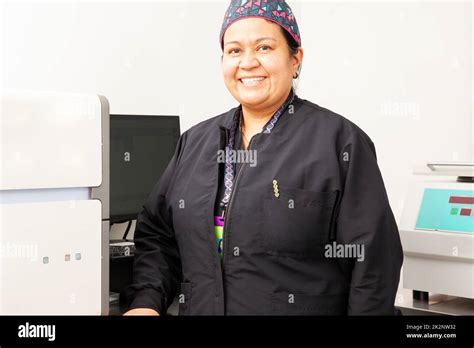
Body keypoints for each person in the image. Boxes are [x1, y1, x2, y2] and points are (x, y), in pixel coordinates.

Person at [124, 0, 403, 316]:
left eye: (264, 47)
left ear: (295, 58)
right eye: (234, 51)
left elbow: (374, 266)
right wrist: (147, 302)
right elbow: (159, 235)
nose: (247, 62)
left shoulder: (340, 142)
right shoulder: (194, 142)